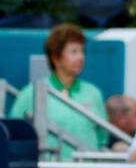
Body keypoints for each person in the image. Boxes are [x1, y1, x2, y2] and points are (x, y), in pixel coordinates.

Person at [7, 24, 109, 158]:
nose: (81, 57)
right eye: (74, 52)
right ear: (56, 58)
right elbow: (14, 135)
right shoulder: (31, 92)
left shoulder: (93, 93)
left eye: (82, 51)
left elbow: (102, 137)